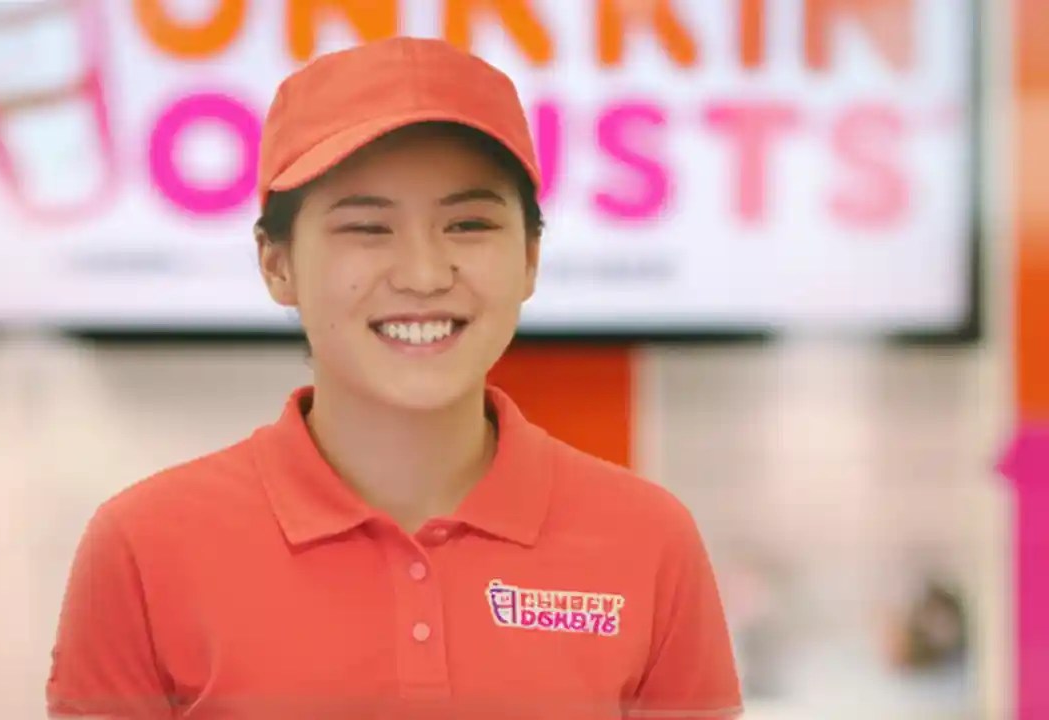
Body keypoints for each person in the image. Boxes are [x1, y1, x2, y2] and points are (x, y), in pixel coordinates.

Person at [46, 37, 742, 719]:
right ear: (276, 264)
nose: (422, 275)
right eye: (367, 229)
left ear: (531, 257)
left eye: (468, 224)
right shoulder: (145, 547)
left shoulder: (648, 540)